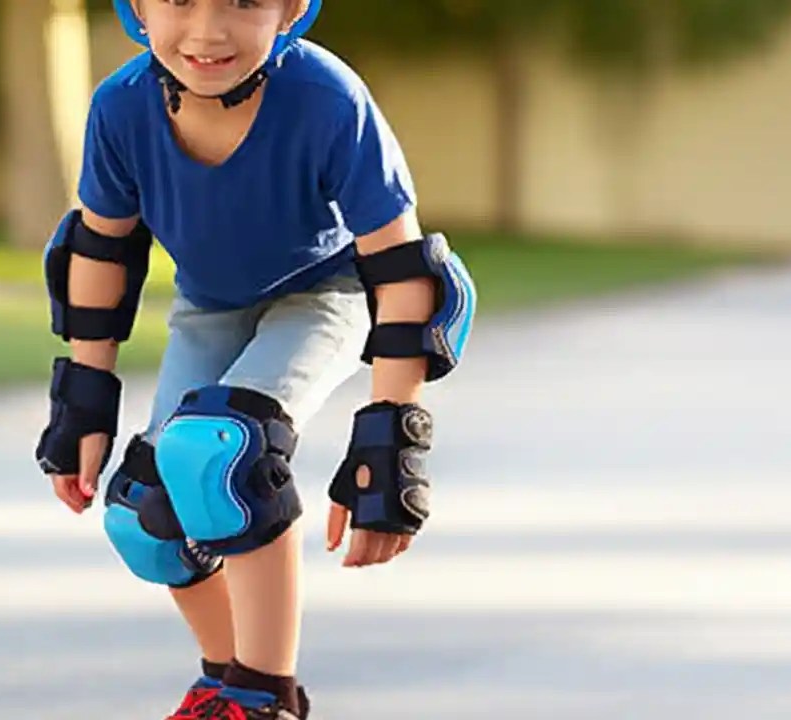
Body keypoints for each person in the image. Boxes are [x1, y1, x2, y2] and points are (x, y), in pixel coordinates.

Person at [36, 1, 476, 717]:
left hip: (327, 294)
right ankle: (226, 684)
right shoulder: (121, 107)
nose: (209, 31)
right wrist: (84, 396)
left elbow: (403, 271)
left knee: (224, 453)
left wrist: (391, 438)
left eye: (243, 0)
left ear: (292, 7)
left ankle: (265, 697)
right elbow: (99, 247)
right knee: (146, 516)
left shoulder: (327, 100)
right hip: (211, 306)